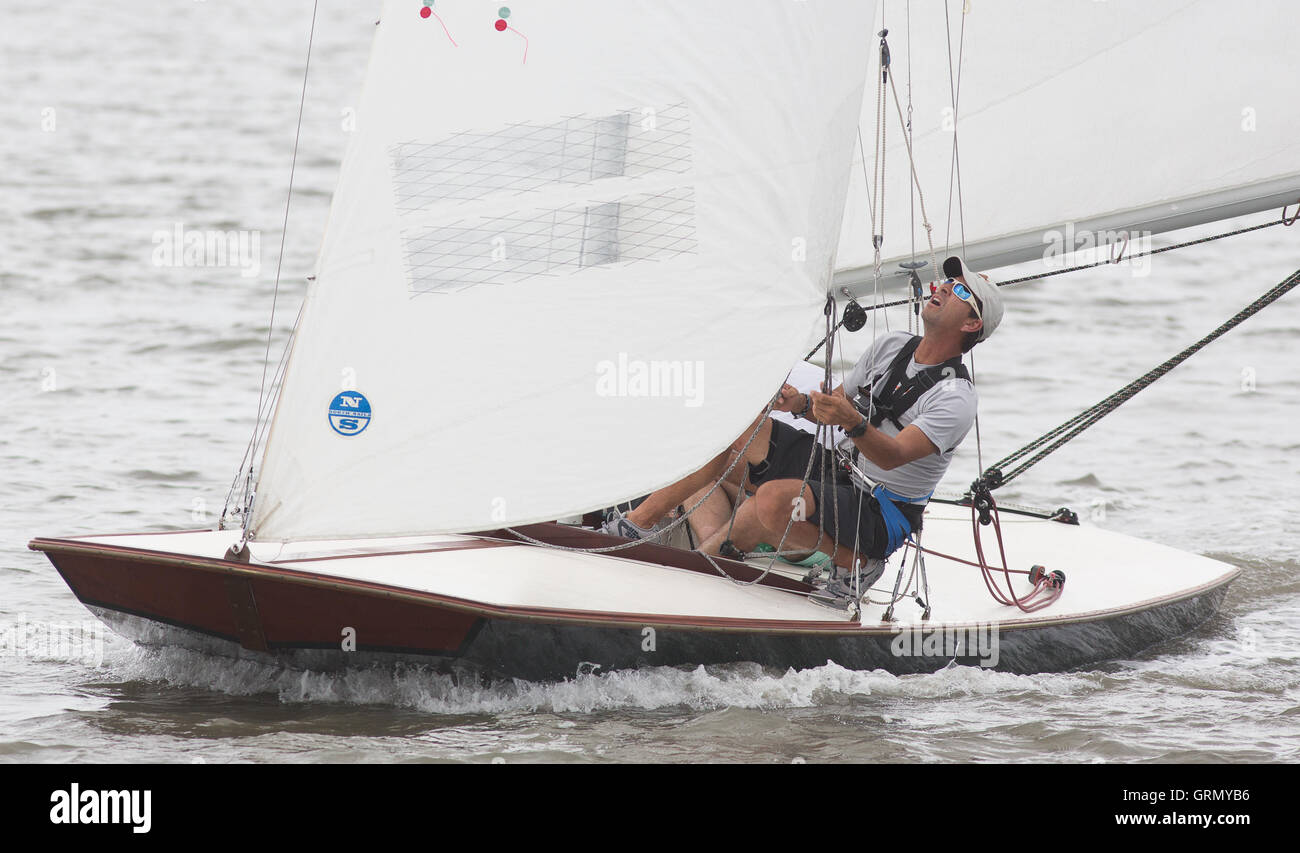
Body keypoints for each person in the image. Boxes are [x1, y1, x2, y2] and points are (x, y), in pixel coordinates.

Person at [604, 255, 1004, 593]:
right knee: (738, 435)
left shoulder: (956, 398)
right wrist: (798, 405)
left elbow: (895, 456)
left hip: (883, 508)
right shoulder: (891, 346)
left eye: (962, 292)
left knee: (775, 502)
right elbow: (834, 408)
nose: (945, 288)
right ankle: (634, 527)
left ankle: (858, 563)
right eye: (948, 282)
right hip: (840, 469)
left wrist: (852, 424)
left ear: (972, 325)